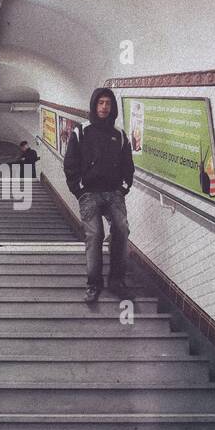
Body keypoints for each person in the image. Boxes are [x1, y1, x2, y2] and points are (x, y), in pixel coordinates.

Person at [63, 87, 134, 303]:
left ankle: (117, 280)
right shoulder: (81, 132)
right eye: (100, 103)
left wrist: (123, 187)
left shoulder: (119, 135)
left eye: (108, 103)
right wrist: (79, 190)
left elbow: (127, 166)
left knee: (122, 228)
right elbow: (70, 164)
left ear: (112, 108)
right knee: (94, 235)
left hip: (113, 193)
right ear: (94, 105)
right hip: (90, 194)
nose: (104, 107)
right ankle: (94, 284)